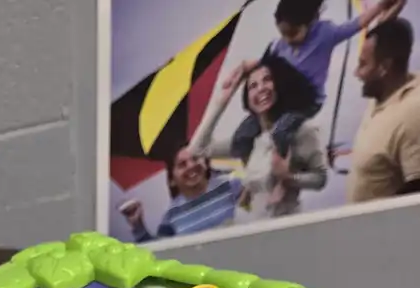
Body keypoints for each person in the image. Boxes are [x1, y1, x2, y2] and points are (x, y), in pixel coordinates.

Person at [228, 0, 404, 162]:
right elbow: (263, 67)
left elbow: (357, 24)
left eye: (293, 33)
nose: (288, 39)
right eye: (283, 34)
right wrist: (242, 71)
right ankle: (251, 174)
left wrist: (381, 6)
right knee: (241, 137)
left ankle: (281, 171)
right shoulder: (279, 45)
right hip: (280, 100)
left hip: (306, 102)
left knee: (280, 133)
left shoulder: (325, 34)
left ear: (310, 22)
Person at [192, 54, 328, 219]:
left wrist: (288, 178)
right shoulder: (248, 140)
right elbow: (198, 150)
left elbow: (321, 178)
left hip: (289, 229)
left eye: (267, 80)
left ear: (278, 85)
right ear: (247, 99)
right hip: (255, 230)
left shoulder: (301, 130)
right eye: (253, 86)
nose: (261, 88)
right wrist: (224, 98)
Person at [348, 16, 420, 198]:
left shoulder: (412, 113)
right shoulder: (381, 93)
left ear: (384, 67)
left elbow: (415, 198)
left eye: (363, 64)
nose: (356, 73)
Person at [119, 144, 244, 242]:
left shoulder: (232, 186)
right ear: (172, 180)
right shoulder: (171, 215)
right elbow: (160, 255)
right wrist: (138, 226)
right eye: (182, 165)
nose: (191, 166)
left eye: (195, 159)